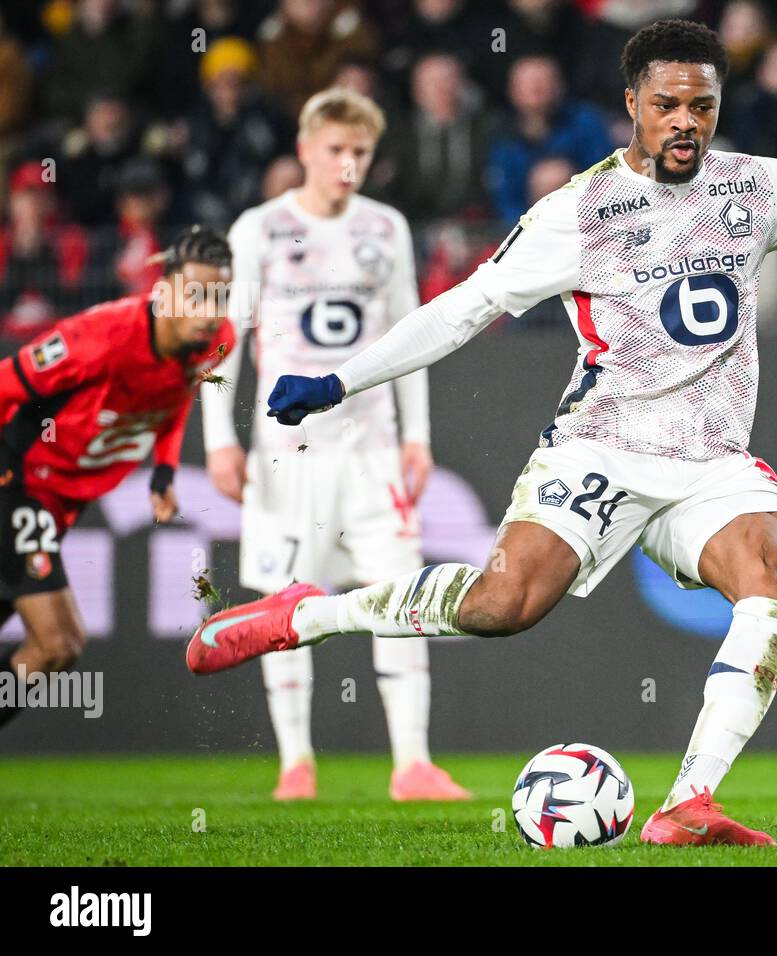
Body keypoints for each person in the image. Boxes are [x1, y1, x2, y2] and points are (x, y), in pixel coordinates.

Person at [189, 19, 777, 845]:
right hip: (601, 447)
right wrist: (342, 381)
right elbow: (464, 310)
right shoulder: (575, 213)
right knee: (504, 607)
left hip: (709, 465)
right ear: (631, 105)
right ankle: (304, 614)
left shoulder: (754, 188)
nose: (685, 122)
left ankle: (685, 803)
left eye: (702, 104)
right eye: (666, 105)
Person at [200, 87, 465, 803]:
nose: (348, 163)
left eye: (360, 152)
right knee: (285, 600)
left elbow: (411, 335)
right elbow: (226, 340)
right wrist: (219, 440)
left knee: (399, 595)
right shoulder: (259, 228)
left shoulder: (387, 228)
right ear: (304, 150)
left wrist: (419, 437)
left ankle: (412, 763)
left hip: (374, 449)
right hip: (290, 454)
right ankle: (296, 762)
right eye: (336, 150)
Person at [0, 226, 235, 729]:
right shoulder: (100, 337)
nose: (210, 310)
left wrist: (164, 472)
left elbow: (172, 404)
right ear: (162, 291)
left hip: (60, 502)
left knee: (58, 650)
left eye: (221, 295)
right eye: (195, 294)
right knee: (57, 644)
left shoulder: (218, 340)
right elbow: (5, 384)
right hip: (20, 482)